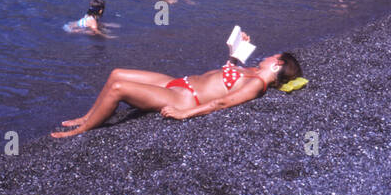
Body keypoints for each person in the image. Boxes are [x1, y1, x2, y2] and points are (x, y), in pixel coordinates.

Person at [51, 51, 304, 138]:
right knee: (117, 74)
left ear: (278, 63)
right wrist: (234, 55)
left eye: (273, 56)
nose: (269, 55)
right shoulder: (252, 70)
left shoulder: (258, 83)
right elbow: (223, 79)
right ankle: (87, 117)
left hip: (183, 98)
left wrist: (185, 113)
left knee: (119, 89)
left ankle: (81, 131)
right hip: (177, 82)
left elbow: (224, 101)